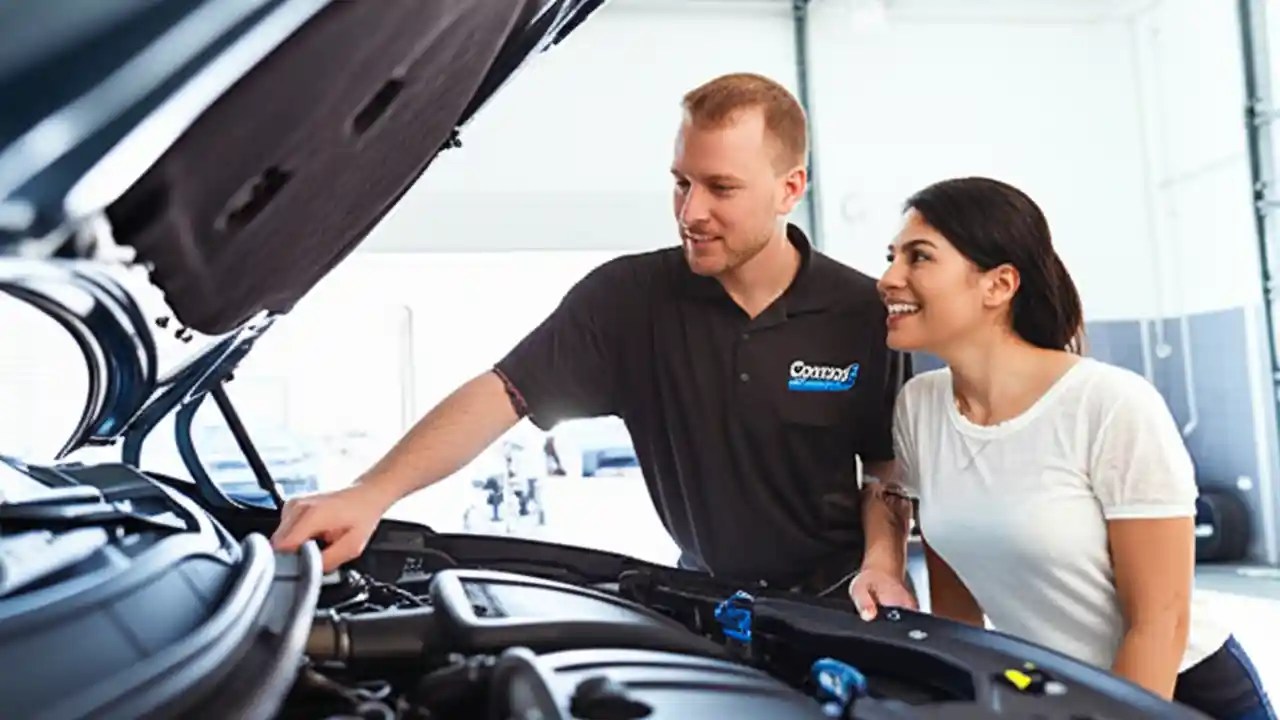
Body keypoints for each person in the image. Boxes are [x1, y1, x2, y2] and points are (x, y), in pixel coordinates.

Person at [270, 72, 916, 596]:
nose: (691, 212)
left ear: (789, 189)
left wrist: (884, 566)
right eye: (681, 183)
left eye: (721, 188)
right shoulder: (628, 301)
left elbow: (885, 469)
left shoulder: (861, 311)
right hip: (703, 600)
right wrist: (372, 492)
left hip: (839, 604)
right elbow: (503, 394)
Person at [851, 176, 1273, 718]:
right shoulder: (921, 405)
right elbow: (958, 608)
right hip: (1058, 691)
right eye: (892, 257)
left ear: (999, 285)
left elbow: (1161, 623)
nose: (888, 279)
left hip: (1175, 691)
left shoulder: (1111, 404)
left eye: (920, 257)